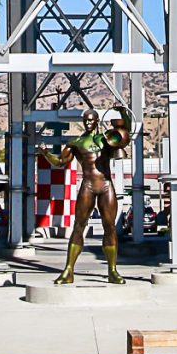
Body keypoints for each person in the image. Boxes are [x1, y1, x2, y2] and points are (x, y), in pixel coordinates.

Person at [38, 106, 132, 284]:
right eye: (86, 120)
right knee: (78, 226)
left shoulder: (105, 139)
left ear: (97, 121)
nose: (89, 123)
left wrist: (124, 115)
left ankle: (112, 270)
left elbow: (124, 137)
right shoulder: (76, 143)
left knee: (110, 227)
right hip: (87, 185)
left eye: (91, 120)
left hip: (106, 185)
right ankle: (68, 270)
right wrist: (46, 153)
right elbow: (60, 162)